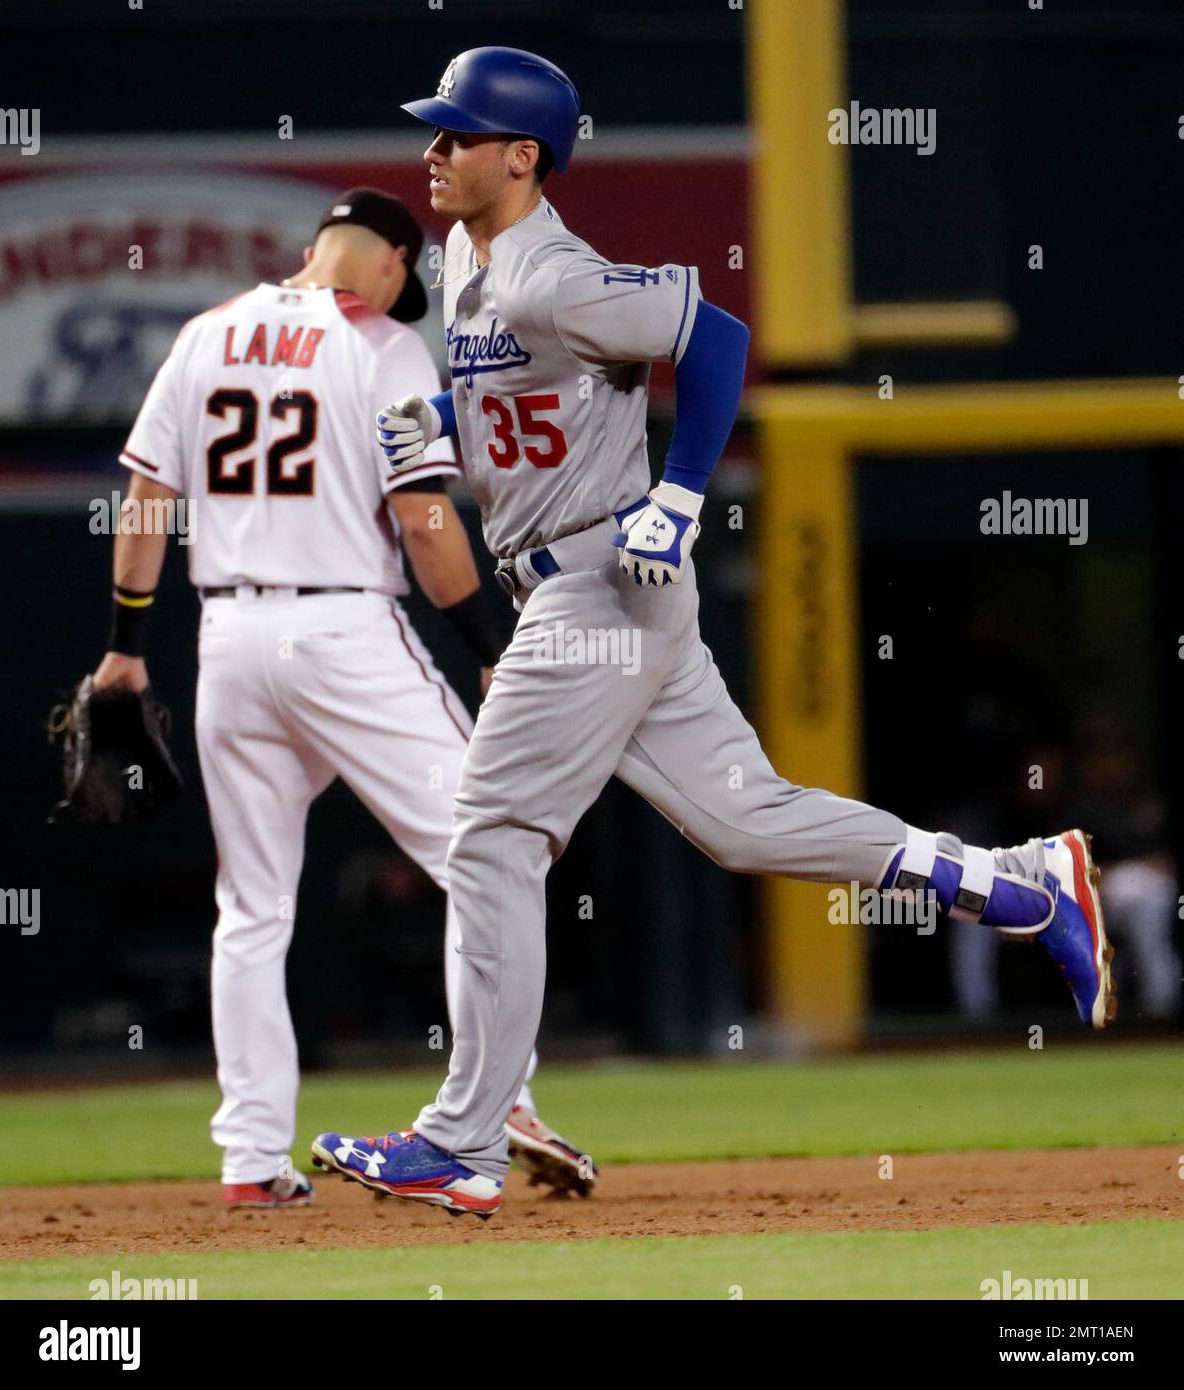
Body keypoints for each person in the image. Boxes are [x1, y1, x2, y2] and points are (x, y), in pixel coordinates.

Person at [312, 49, 1115, 1221]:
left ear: (521, 157)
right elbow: (539, 398)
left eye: (457, 134)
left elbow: (719, 335)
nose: (432, 151)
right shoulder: (470, 262)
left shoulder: (550, 274)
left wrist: (683, 492)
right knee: (748, 819)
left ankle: (462, 1140)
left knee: (489, 835)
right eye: (435, 130)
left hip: (598, 581)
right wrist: (437, 415)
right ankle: (1023, 886)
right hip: (588, 590)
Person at [92, 186, 593, 1209]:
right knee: (488, 850)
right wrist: (487, 647)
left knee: (251, 907)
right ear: (392, 262)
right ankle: (493, 1102)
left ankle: (249, 1162)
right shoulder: (385, 349)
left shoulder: (204, 334)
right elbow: (421, 517)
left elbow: (147, 498)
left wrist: (124, 652)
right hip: (341, 632)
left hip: (225, 638)